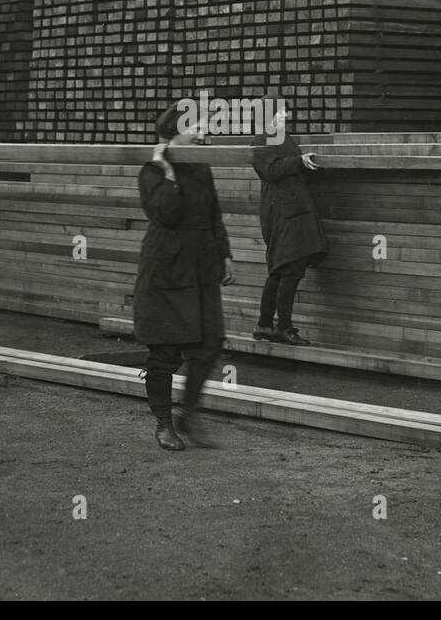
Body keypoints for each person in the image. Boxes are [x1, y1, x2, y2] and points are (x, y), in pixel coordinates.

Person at [134, 103, 235, 451]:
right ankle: (163, 423)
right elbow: (167, 213)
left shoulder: (201, 167)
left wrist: (225, 254)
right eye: (196, 128)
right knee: (164, 351)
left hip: (201, 267)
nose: (203, 134)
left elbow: (214, 214)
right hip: (167, 268)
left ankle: (187, 415)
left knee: (209, 345)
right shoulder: (152, 171)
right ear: (174, 133)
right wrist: (169, 175)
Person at [251, 101, 327, 346]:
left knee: (282, 268)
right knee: (288, 268)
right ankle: (282, 327)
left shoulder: (282, 138)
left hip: (292, 211)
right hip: (283, 213)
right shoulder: (261, 141)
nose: (287, 115)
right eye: (281, 112)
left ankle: (265, 324)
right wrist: (300, 162)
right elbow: (271, 170)